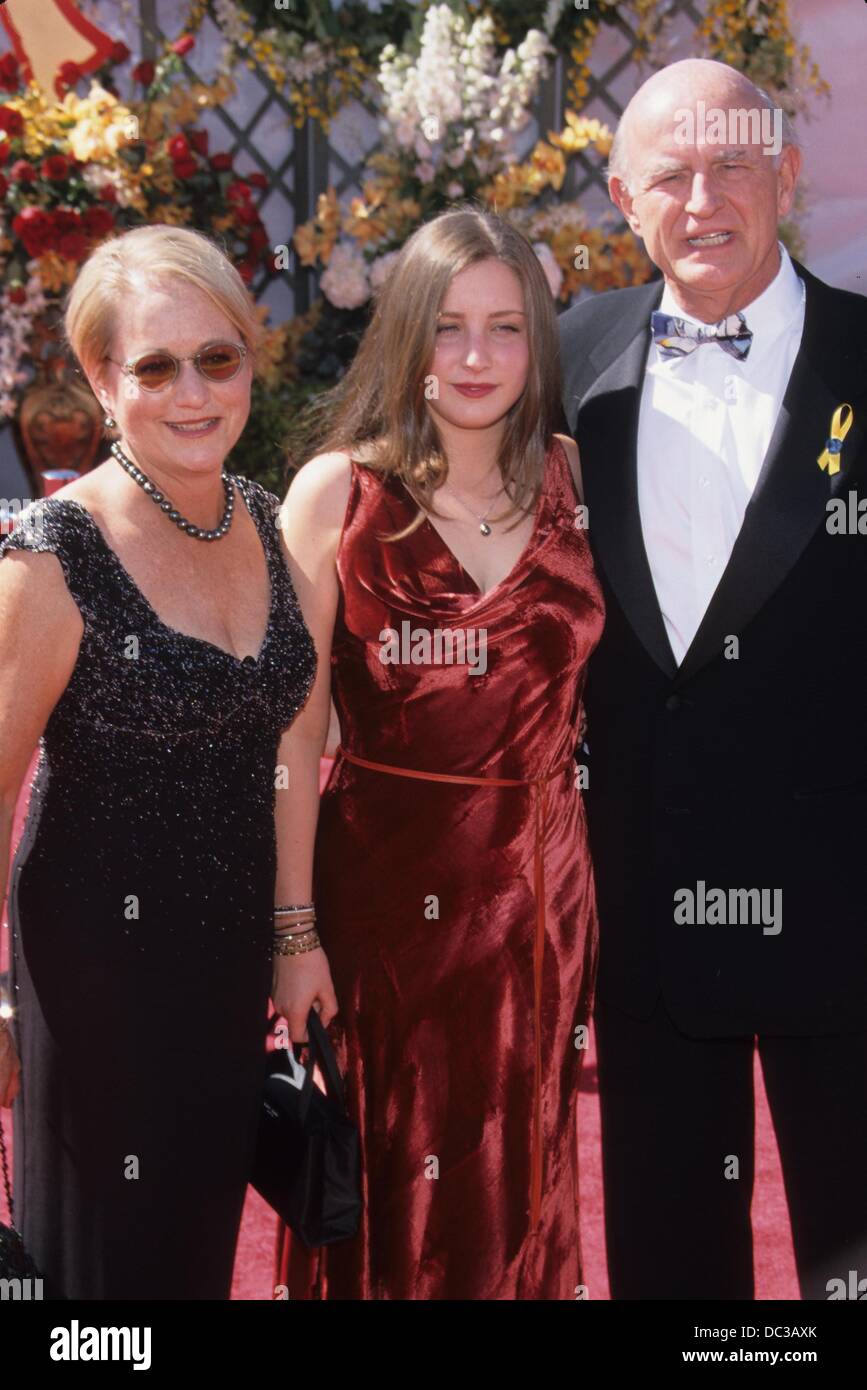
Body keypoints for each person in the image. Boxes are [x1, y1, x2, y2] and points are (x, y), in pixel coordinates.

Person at [558, 58, 867, 1300]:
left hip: (846, 897)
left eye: (733, 162)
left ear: (786, 174)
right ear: (623, 199)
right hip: (647, 889)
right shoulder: (569, 355)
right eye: (670, 174)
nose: (704, 199)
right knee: (672, 1258)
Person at [271, 206, 605, 1299]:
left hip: (537, 897)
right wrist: (291, 931)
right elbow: (294, 726)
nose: (474, 356)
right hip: (381, 895)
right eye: (449, 325)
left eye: (506, 328)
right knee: (385, 1170)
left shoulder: (576, 480)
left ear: (538, 343)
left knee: (518, 1173)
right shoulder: (340, 493)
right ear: (406, 332)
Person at [0, 225, 318, 1299]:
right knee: (105, 1271)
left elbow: (285, 758)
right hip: (95, 975)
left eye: (216, 357)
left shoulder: (266, 525)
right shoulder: (55, 553)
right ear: (101, 379)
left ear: (247, 359)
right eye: (154, 364)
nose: (193, 390)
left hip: (225, 975)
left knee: (192, 1250)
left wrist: (292, 934)